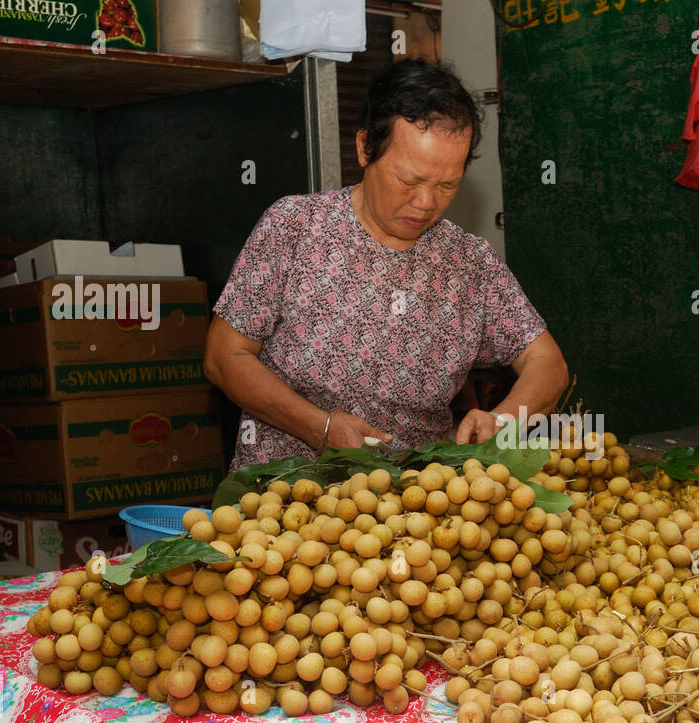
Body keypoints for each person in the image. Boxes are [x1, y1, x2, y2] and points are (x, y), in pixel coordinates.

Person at [204, 59, 569, 470]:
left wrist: (504, 420)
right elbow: (224, 356)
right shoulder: (296, 227)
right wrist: (319, 428)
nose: (426, 202)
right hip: (283, 503)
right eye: (409, 181)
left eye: (447, 184)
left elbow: (548, 365)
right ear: (364, 148)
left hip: (416, 512)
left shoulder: (469, 263)